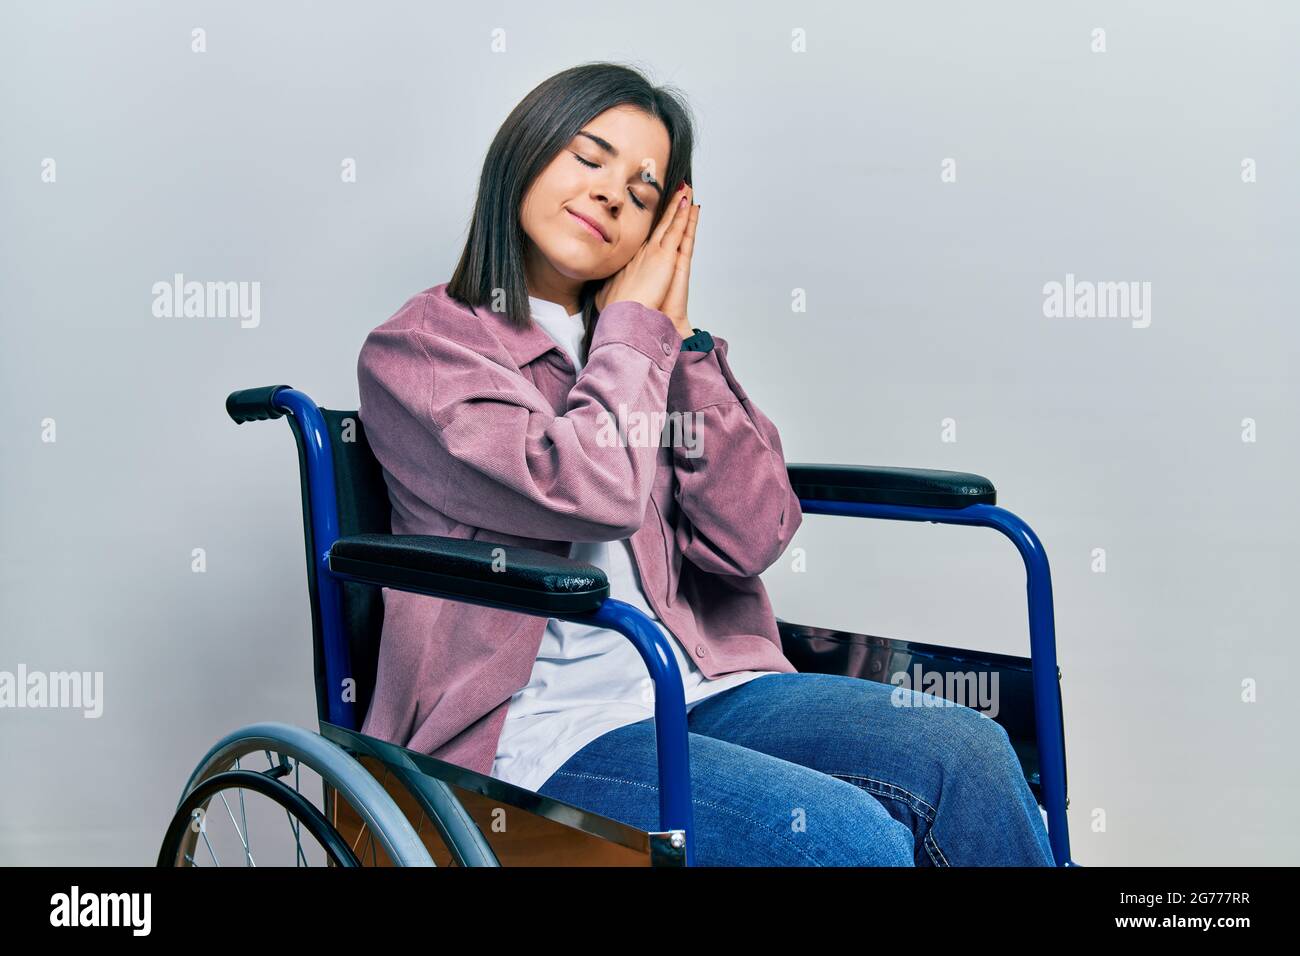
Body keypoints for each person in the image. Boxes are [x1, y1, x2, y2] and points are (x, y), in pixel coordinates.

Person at [355, 61, 1056, 866]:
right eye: (589, 159)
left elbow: (751, 538)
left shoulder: (650, 346)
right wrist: (632, 331)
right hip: (538, 730)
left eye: (644, 192)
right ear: (524, 154)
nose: (612, 193)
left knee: (967, 750)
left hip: (708, 685)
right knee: (843, 836)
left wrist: (684, 349)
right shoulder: (422, 350)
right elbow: (594, 492)